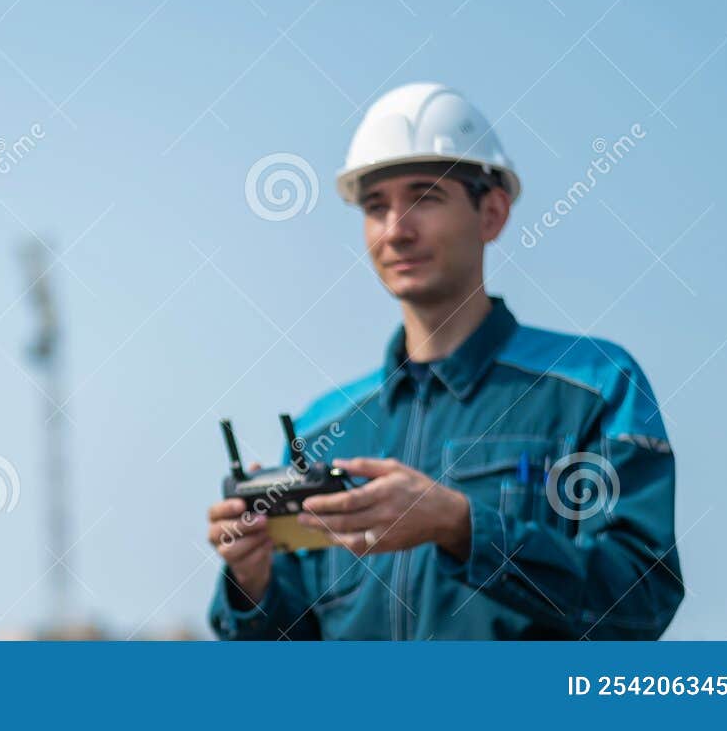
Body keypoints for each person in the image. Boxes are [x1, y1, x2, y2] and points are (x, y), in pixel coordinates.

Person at [206, 82, 683, 640]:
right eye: (375, 206)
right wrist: (252, 580)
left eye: (424, 197)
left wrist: (462, 527)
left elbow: (641, 602)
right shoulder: (324, 427)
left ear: (493, 212)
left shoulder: (593, 388)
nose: (395, 230)